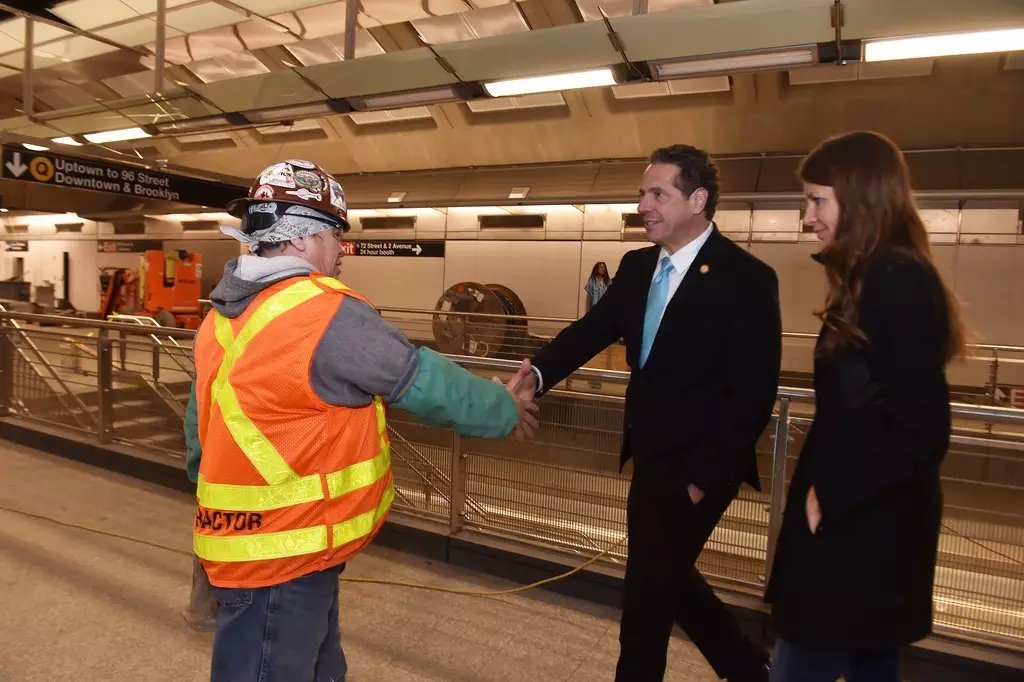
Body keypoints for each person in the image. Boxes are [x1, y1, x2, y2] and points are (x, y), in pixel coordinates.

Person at [187, 160, 538, 682]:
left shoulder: (220, 318)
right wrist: (502, 408)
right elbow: (420, 379)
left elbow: (201, 436)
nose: (342, 250)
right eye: (336, 233)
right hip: (285, 556)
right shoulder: (323, 313)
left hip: (255, 547)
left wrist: (218, 525)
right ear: (304, 240)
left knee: (320, 668)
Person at [510, 144, 782, 682]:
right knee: (664, 581)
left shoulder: (745, 278)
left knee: (647, 597)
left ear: (698, 199)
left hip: (700, 467)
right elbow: (589, 333)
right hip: (650, 458)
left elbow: (752, 393)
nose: (644, 205)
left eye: (658, 193)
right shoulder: (637, 268)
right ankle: (753, 672)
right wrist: (534, 376)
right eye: (642, 193)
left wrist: (703, 479)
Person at [764, 131, 965, 682]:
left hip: (859, 535)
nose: (807, 216)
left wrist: (831, 495)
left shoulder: (895, 280)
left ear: (860, 198)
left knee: (800, 665)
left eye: (816, 200)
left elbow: (923, 429)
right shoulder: (870, 278)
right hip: (868, 533)